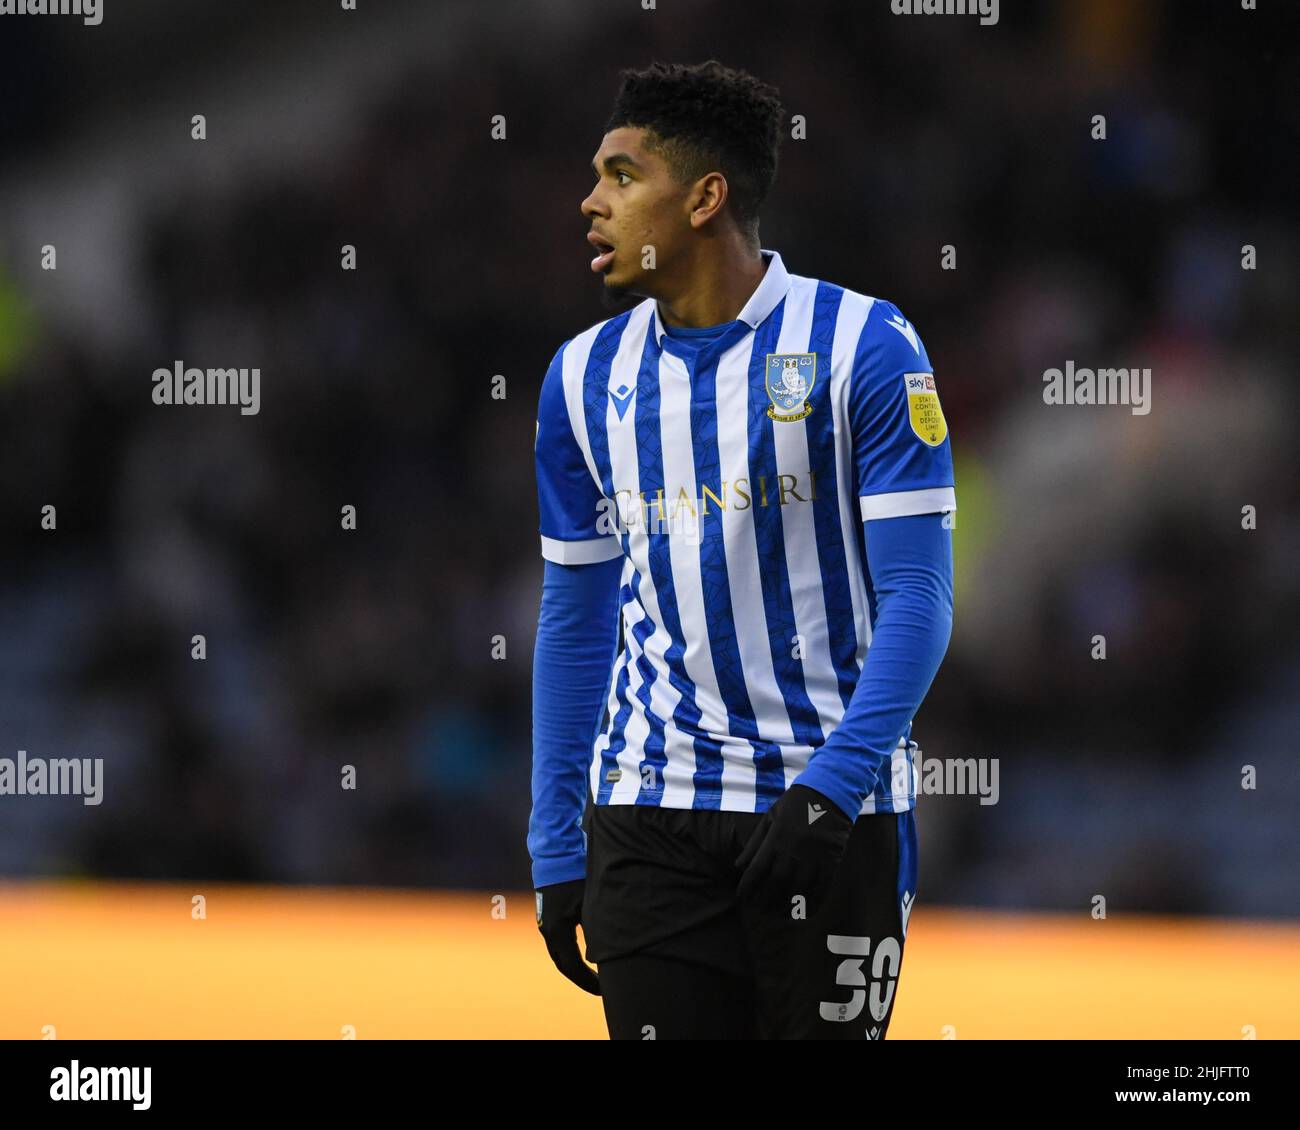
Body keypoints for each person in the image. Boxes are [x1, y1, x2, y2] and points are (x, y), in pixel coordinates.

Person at [529, 59, 954, 1040]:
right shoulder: (581, 378)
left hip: (827, 813)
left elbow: (921, 594)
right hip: (648, 813)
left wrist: (835, 783)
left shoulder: (866, 347)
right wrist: (556, 836)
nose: (590, 202)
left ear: (705, 197)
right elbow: (577, 616)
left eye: (621, 176)